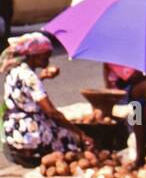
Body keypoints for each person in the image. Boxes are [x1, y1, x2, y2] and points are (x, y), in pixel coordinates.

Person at [1, 33, 91, 165]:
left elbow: (24, 94)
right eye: (45, 55)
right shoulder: (30, 77)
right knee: (69, 138)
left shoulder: (15, 71)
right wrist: (80, 133)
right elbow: (52, 112)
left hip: (14, 131)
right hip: (29, 135)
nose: (48, 59)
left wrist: (41, 78)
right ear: (34, 55)